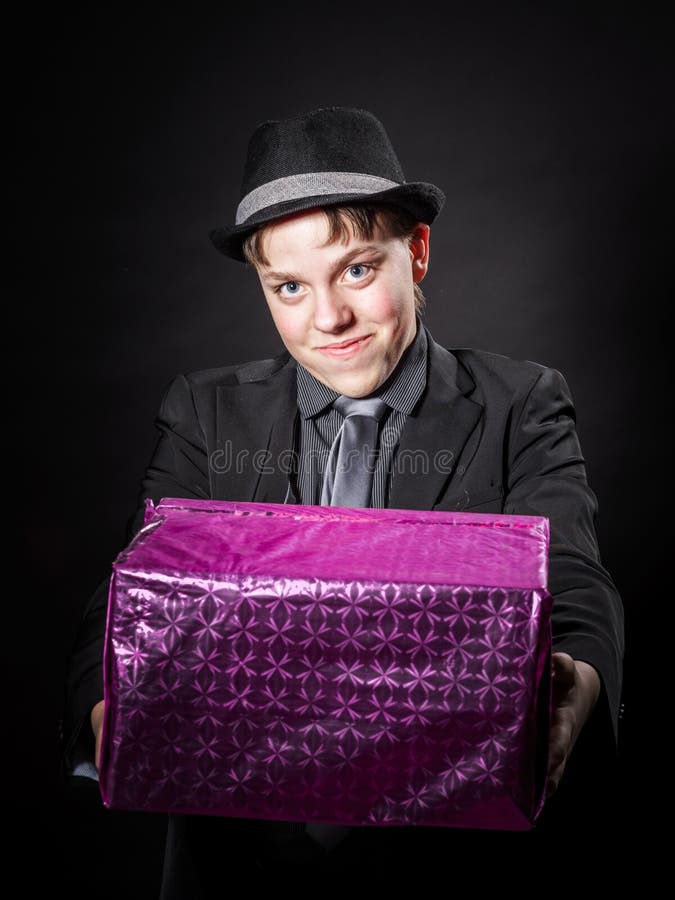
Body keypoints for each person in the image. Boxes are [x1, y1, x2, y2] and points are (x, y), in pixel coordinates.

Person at [62, 106, 624, 895]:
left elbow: (568, 567)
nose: (327, 319)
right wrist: (106, 704)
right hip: (242, 849)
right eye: (288, 287)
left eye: (356, 270)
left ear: (415, 253)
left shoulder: (518, 403)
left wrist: (578, 679)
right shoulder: (206, 411)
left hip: (455, 850)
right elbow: (130, 586)